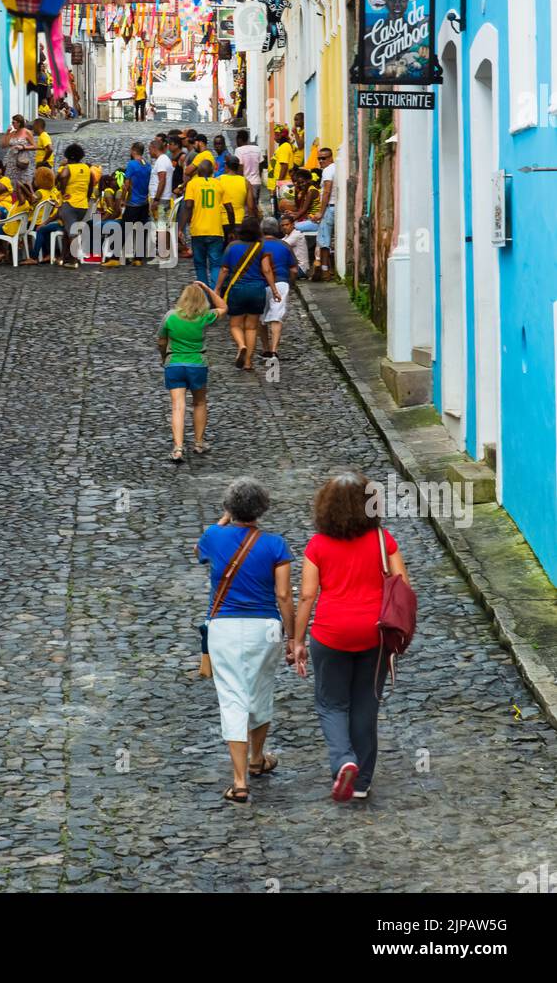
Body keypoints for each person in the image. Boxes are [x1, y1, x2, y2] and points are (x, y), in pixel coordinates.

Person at [293, 472, 411, 802]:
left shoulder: (317, 546)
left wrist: (297, 641)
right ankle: (362, 783)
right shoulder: (382, 540)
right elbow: (403, 585)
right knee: (365, 703)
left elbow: (306, 596)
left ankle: (344, 759)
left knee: (331, 703)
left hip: (330, 634)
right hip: (374, 633)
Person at [196, 478, 294, 804]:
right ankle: (257, 758)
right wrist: (293, 635)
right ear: (262, 509)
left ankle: (239, 781)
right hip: (265, 628)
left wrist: (222, 520)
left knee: (232, 697)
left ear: (229, 508)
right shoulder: (275, 545)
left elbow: (198, 550)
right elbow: (283, 595)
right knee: (261, 690)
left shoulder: (214, 537)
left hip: (224, 626)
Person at [157, 280, 227, 463]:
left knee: (178, 406)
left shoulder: (170, 317)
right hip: (197, 363)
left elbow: (161, 341)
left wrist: (164, 357)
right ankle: (198, 443)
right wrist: (206, 288)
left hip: (175, 364)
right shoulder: (204, 317)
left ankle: (178, 448)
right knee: (199, 403)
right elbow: (223, 306)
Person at [215, 216, 281, 370]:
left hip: (237, 289)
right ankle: (248, 362)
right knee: (251, 327)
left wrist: (217, 288)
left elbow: (224, 269)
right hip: (257, 289)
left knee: (235, 325)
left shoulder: (232, 247)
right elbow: (266, 270)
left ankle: (241, 345)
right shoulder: (261, 247)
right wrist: (274, 290)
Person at [180, 160, 226, 290]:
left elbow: (188, 206)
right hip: (216, 230)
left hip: (198, 230)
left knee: (200, 265)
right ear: (212, 172)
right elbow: (228, 206)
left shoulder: (192, 184)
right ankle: (215, 293)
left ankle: (205, 294)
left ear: (198, 172)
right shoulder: (218, 184)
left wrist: (181, 227)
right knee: (216, 265)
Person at [258, 216, 298, 360]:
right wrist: (291, 283)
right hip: (281, 283)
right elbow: (294, 270)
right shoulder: (284, 245)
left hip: (261, 284)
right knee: (276, 317)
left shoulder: (257, 245)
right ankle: (274, 350)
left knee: (260, 318)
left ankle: (265, 348)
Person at [56, 142, 94, 268]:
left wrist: (63, 191)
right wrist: (86, 198)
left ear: (68, 157)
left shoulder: (68, 168)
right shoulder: (87, 169)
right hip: (82, 206)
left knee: (71, 232)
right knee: (67, 231)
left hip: (70, 204)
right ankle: (63, 257)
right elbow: (91, 185)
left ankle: (74, 260)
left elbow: (62, 176)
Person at [121, 140, 151, 263]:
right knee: (141, 229)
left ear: (133, 150)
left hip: (133, 203)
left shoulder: (132, 164)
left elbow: (126, 184)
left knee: (123, 229)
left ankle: (114, 257)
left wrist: (123, 199)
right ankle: (138, 258)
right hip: (144, 202)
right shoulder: (147, 165)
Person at [218, 154, 257, 239]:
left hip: (222, 221)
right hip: (240, 221)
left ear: (226, 166)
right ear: (238, 167)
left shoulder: (218, 180)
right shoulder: (245, 182)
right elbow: (250, 207)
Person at [312, 147, 337, 281]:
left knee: (324, 242)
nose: (321, 161)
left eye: (324, 158)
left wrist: (321, 212)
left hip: (329, 208)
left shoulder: (328, 171)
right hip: (334, 207)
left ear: (331, 157)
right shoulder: (336, 168)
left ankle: (325, 271)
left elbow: (327, 191)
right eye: (319, 158)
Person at [1, 114, 36, 195]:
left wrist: (23, 147)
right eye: (12, 122)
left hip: (21, 161)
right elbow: (3, 145)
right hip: (11, 161)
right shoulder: (13, 133)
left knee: (23, 182)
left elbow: (35, 146)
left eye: (14, 122)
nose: (12, 124)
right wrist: (7, 133)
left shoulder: (27, 132)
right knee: (11, 183)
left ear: (19, 123)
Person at [265, 124, 293, 214]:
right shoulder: (282, 147)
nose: (274, 137)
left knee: (283, 213)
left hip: (283, 186)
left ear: (283, 135)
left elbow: (284, 166)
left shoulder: (285, 147)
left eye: (277, 134)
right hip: (280, 185)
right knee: (277, 212)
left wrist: (278, 184)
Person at [235, 130, 261, 208]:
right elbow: (260, 166)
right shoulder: (257, 149)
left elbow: (240, 168)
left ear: (239, 139)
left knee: (247, 207)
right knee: (255, 206)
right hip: (257, 182)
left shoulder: (239, 150)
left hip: (245, 183)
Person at [281, 212, 309, 276]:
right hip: (293, 266)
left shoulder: (297, 234)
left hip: (300, 268)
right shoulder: (287, 236)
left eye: (287, 224)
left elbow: (282, 246)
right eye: (282, 225)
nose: (284, 227)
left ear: (293, 225)